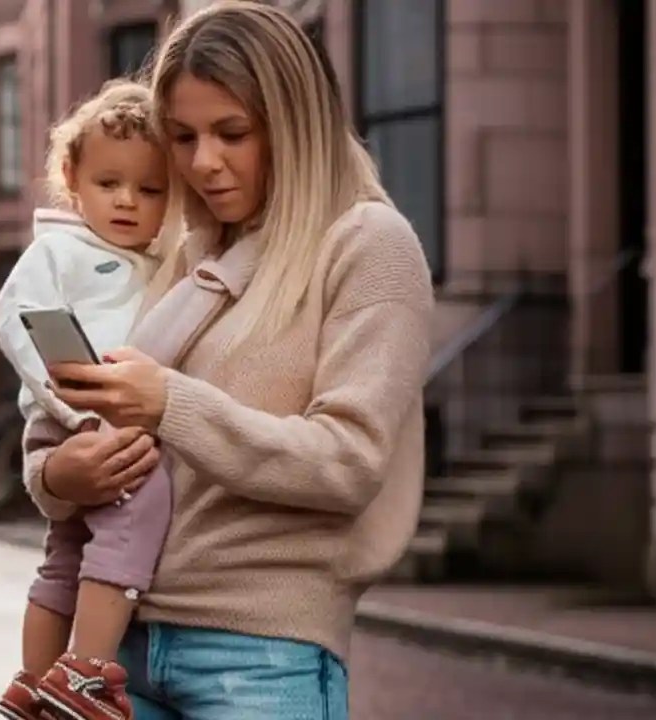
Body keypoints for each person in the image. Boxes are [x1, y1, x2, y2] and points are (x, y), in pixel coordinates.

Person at [22, 2, 435, 718]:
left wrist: (169, 404)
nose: (202, 162)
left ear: (294, 122)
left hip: (258, 659)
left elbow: (349, 460)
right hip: (121, 657)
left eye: (232, 133)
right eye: (181, 137)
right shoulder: (185, 252)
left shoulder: (368, 245)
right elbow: (99, 438)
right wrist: (58, 474)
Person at [0, 80, 178, 720]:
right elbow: (24, 322)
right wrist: (80, 413)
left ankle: (35, 685)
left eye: (150, 190)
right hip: (77, 422)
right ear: (72, 177)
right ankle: (87, 674)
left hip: (93, 422)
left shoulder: (154, 262)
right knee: (143, 501)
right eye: (110, 183)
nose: (128, 202)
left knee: (67, 555)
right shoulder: (61, 251)